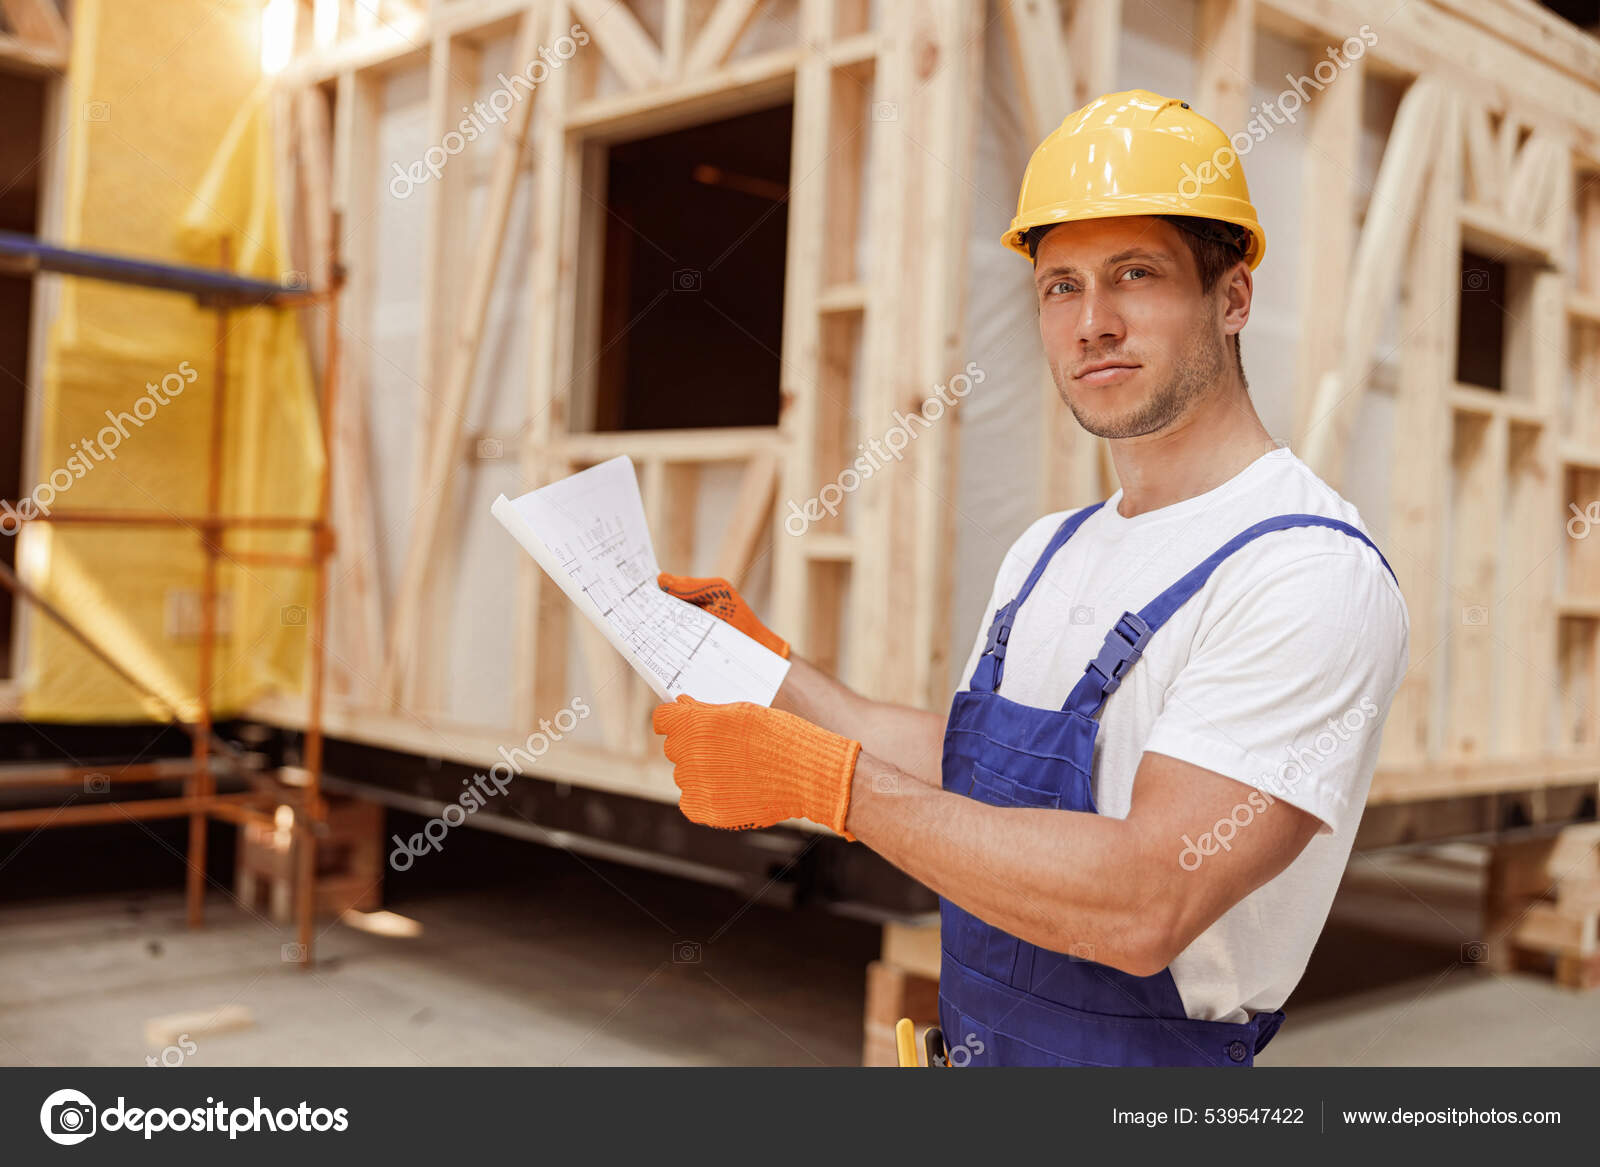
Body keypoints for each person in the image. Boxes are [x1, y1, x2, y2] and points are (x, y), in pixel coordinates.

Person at [650, 90, 1409, 1067]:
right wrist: (774, 679)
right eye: (1060, 286)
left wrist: (829, 787)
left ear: (1232, 297)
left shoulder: (1305, 572)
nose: (1092, 323)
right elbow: (972, 773)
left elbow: (1147, 899)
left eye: (1135, 275)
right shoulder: (1051, 547)